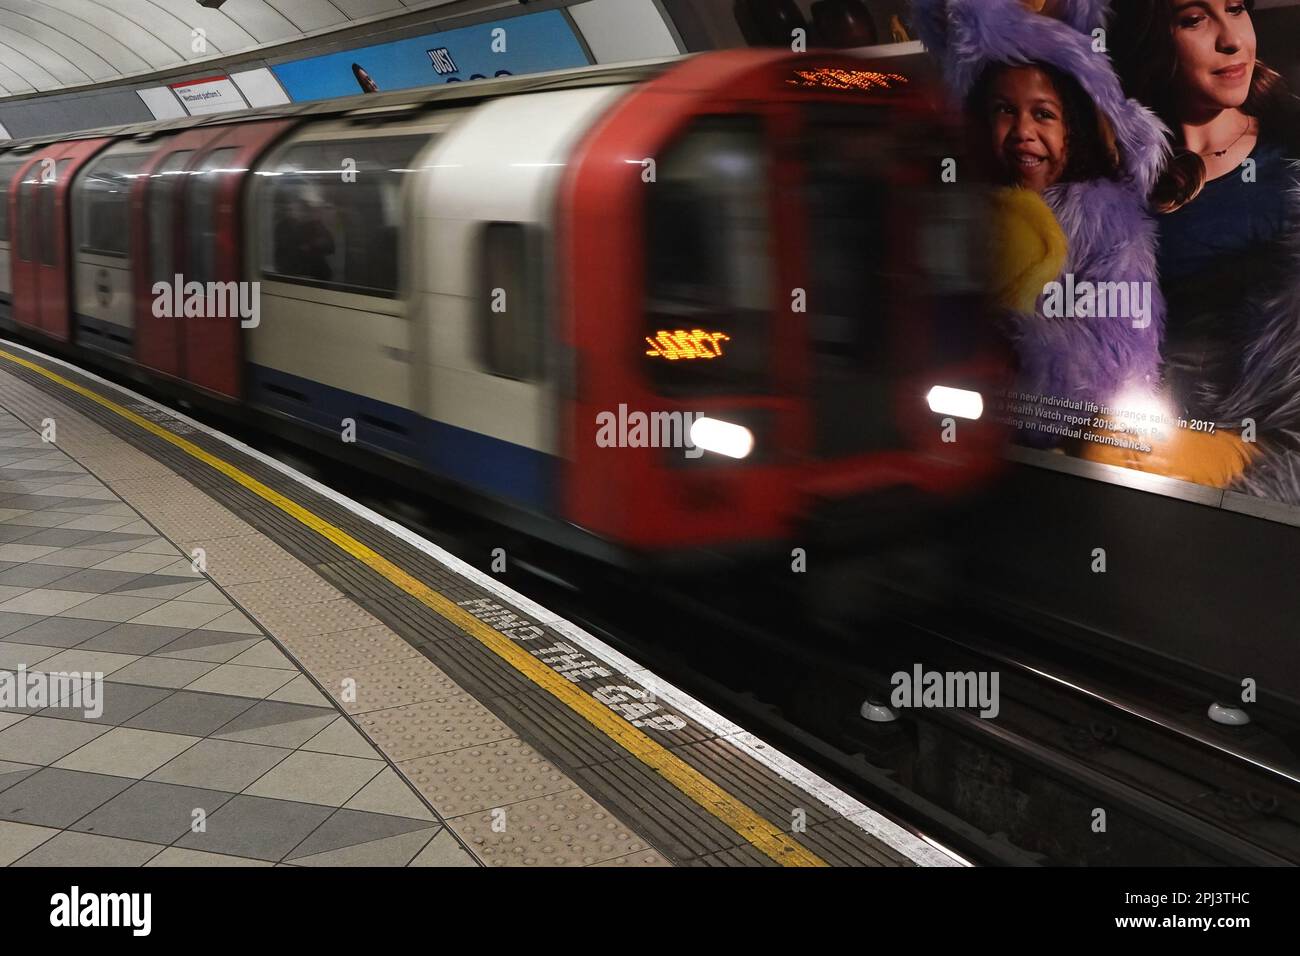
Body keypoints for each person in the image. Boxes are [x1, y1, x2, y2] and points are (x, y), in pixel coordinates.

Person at [914, 0, 1168, 424]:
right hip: (963, 432)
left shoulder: (1107, 223)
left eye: (1044, 114)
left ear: (1074, 126)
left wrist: (1009, 330)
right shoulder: (963, 207)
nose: (1023, 133)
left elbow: (1117, 364)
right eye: (1005, 111)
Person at [1107, 0, 1300, 500]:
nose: (1231, 38)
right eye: (1194, 19)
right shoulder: (1118, 181)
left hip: (1266, 466)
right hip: (1150, 457)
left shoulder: (1289, 155)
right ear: (1157, 40)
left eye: (1235, 9)